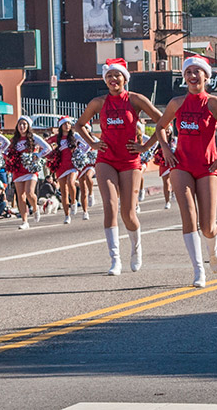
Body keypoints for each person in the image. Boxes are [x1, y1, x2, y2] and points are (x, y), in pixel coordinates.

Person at [140, 55, 217, 288]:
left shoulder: (213, 103)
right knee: (188, 216)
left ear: (206, 77)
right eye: (188, 72)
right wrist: (166, 148)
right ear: (184, 78)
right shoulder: (176, 103)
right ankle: (198, 270)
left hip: (208, 167)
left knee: (207, 226)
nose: (192, 76)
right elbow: (160, 126)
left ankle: (213, 245)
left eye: (197, 72)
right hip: (181, 165)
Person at [74, 58, 162, 276]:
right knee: (110, 206)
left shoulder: (136, 100)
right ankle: (115, 260)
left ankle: (136, 249)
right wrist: (93, 142)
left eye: (117, 75)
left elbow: (162, 121)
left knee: (128, 213)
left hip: (130, 160)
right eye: (109, 76)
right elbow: (79, 124)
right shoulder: (99, 102)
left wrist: (145, 146)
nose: (113, 79)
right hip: (106, 159)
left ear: (125, 78)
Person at [4, 116, 52, 230]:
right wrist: (7, 157)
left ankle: (35, 208)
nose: (22, 126)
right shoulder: (14, 140)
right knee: (20, 196)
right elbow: (6, 151)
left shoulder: (34, 138)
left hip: (30, 169)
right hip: (17, 171)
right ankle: (25, 221)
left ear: (28, 126)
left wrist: (37, 155)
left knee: (29, 193)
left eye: (24, 124)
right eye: (20, 124)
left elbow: (48, 148)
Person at [47, 117, 88, 224]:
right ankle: (67, 216)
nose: (67, 126)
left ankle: (73, 202)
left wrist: (80, 153)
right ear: (60, 126)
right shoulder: (56, 138)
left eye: (69, 124)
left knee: (71, 182)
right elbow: (45, 145)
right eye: (65, 124)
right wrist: (49, 154)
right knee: (64, 192)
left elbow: (87, 143)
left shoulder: (75, 136)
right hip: (60, 166)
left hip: (72, 165)